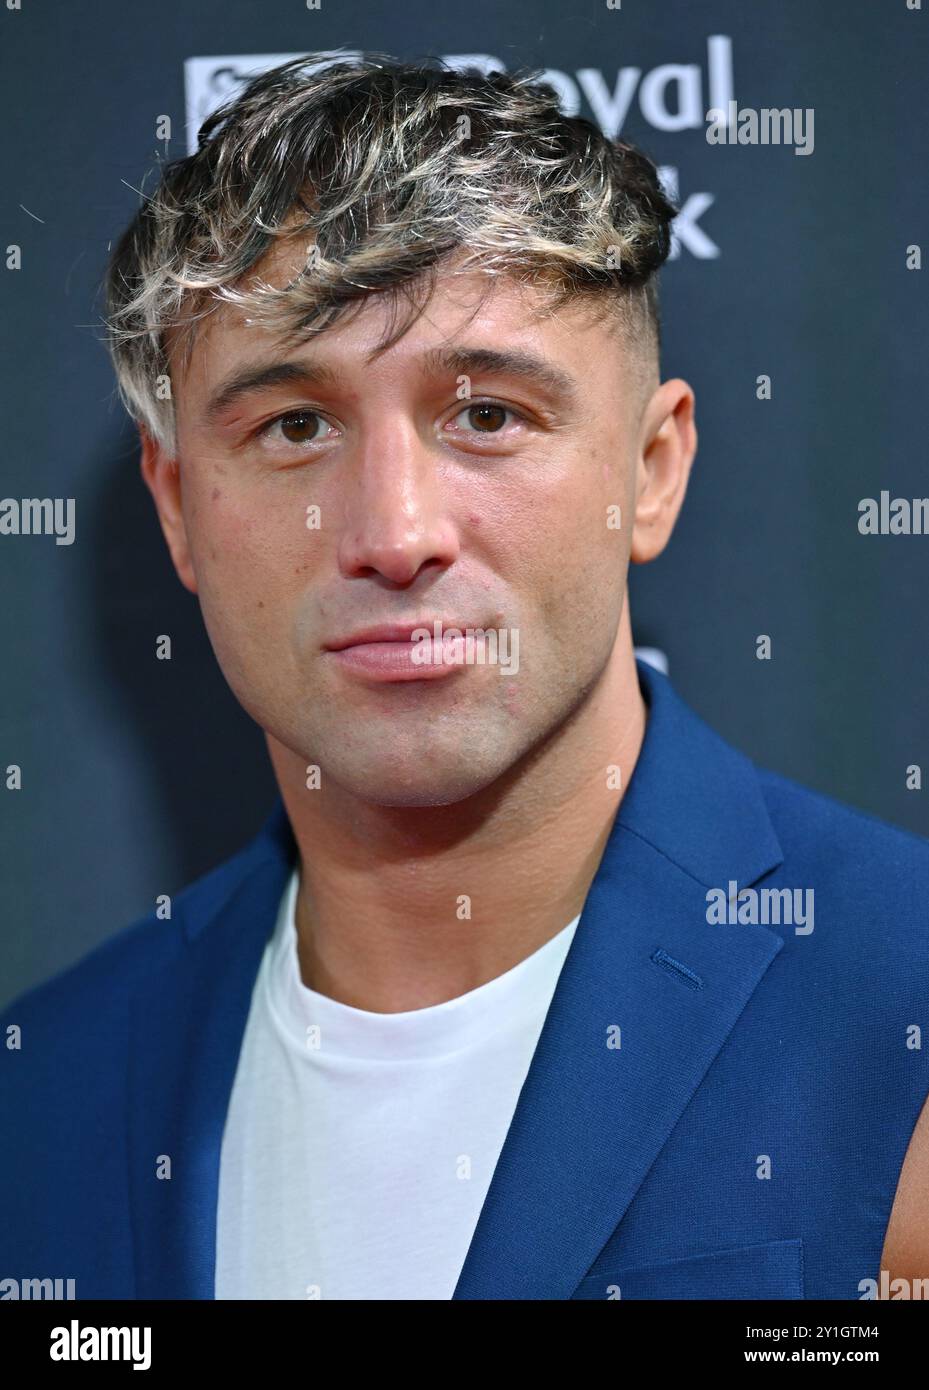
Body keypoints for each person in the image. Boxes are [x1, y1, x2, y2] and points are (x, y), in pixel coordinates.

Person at [2, 53, 928, 1302]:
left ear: (650, 470)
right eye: (293, 426)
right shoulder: (44, 1088)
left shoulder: (898, 999)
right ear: (177, 511)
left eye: (486, 414)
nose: (393, 530)